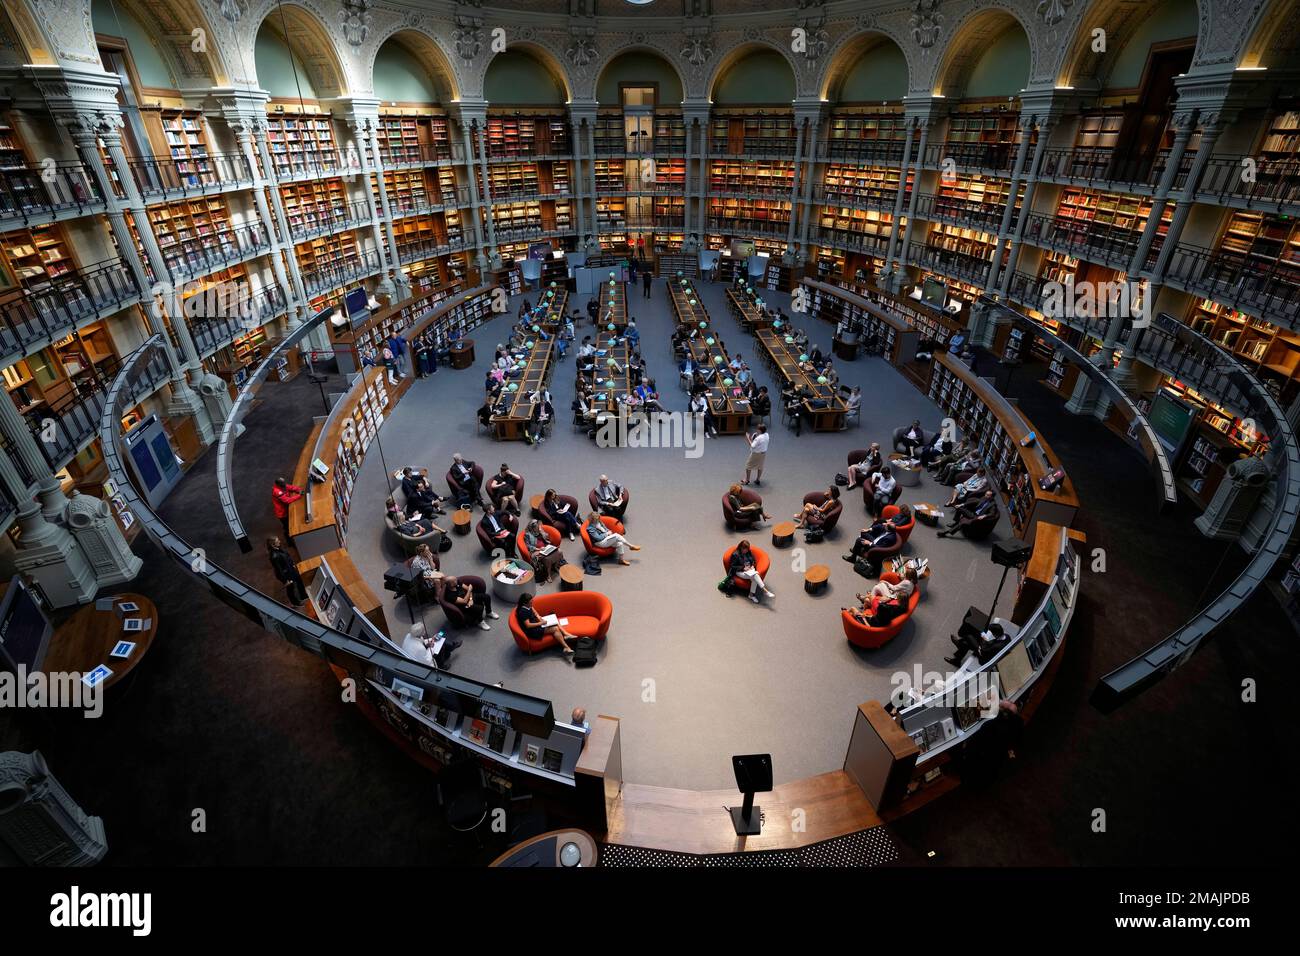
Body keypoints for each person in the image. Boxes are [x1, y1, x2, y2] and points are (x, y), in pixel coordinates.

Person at [515, 592, 579, 656]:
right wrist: (541, 623)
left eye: (532, 601)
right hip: (533, 631)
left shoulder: (528, 606)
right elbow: (528, 625)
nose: (532, 603)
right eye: (530, 602)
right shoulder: (523, 612)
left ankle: (566, 634)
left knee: (553, 618)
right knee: (555, 629)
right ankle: (566, 647)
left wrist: (539, 617)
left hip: (537, 623)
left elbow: (534, 612)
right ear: (524, 603)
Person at [946, 621, 1010, 667]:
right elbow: (991, 646)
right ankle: (958, 655)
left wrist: (983, 640)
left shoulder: (997, 646)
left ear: (995, 634)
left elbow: (983, 651)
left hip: (984, 658)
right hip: (989, 649)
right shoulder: (1007, 637)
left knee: (969, 637)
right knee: (969, 642)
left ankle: (959, 645)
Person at [728, 539, 774, 604]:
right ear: (741, 548)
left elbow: (753, 560)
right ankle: (765, 591)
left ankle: (751, 595)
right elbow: (733, 566)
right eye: (745, 549)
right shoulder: (735, 554)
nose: (747, 551)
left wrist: (752, 565)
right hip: (740, 572)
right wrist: (743, 568)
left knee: (754, 578)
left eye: (747, 549)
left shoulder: (749, 552)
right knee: (755, 575)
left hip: (750, 570)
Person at [267, 536, 306, 606]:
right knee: (291, 588)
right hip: (287, 574)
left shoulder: (279, 548)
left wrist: (293, 564)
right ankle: (295, 602)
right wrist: (285, 580)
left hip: (291, 569)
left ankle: (303, 596)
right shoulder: (274, 556)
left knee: (299, 580)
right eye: (277, 541)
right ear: (273, 545)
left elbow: (287, 557)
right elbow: (279, 570)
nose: (279, 541)